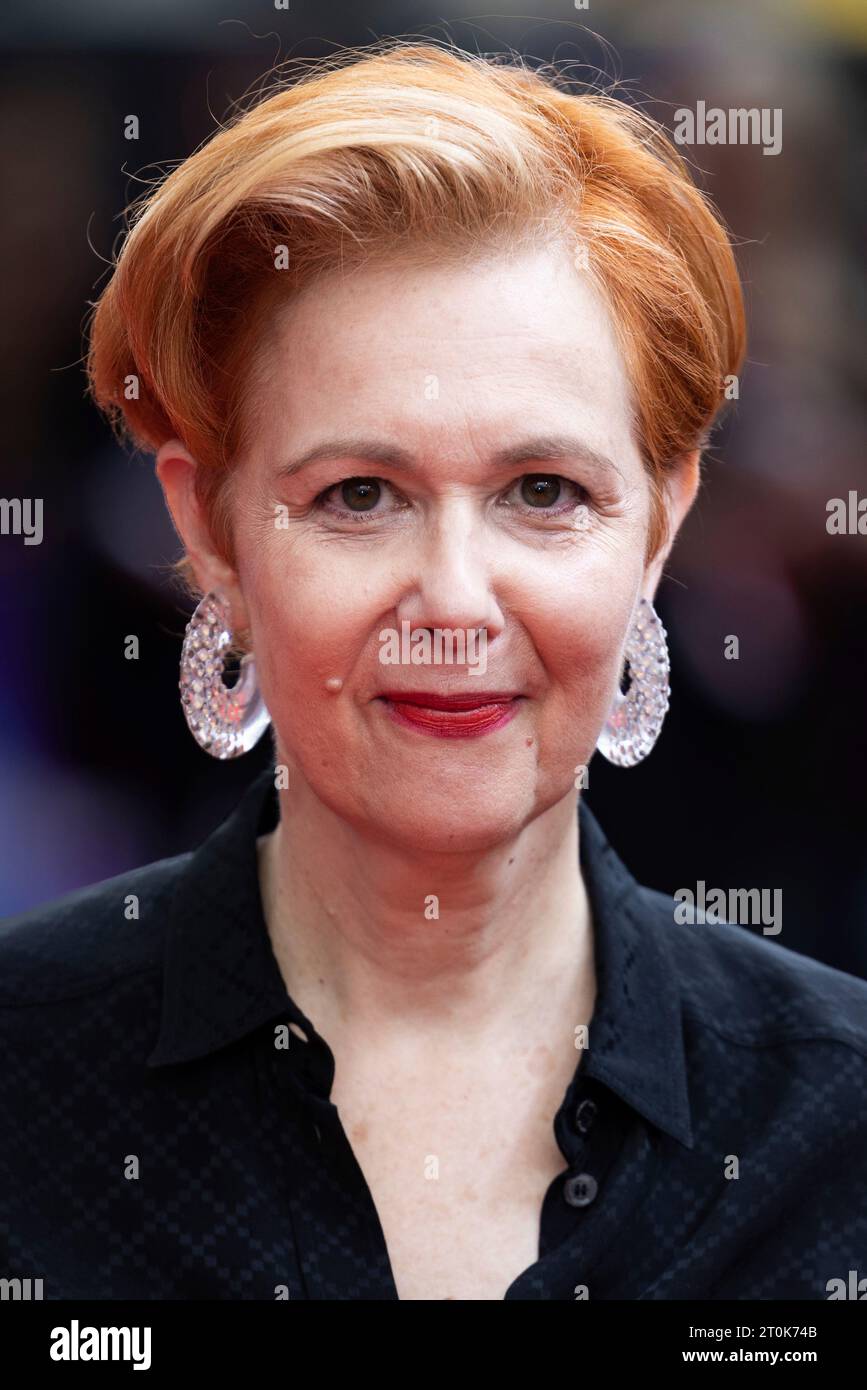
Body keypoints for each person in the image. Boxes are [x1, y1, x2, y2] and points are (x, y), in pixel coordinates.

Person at [1, 41, 865, 1302]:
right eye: (359, 494)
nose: (454, 602)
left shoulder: (836, 1130)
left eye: (544, 491)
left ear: (659, 527)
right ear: (213, 532)